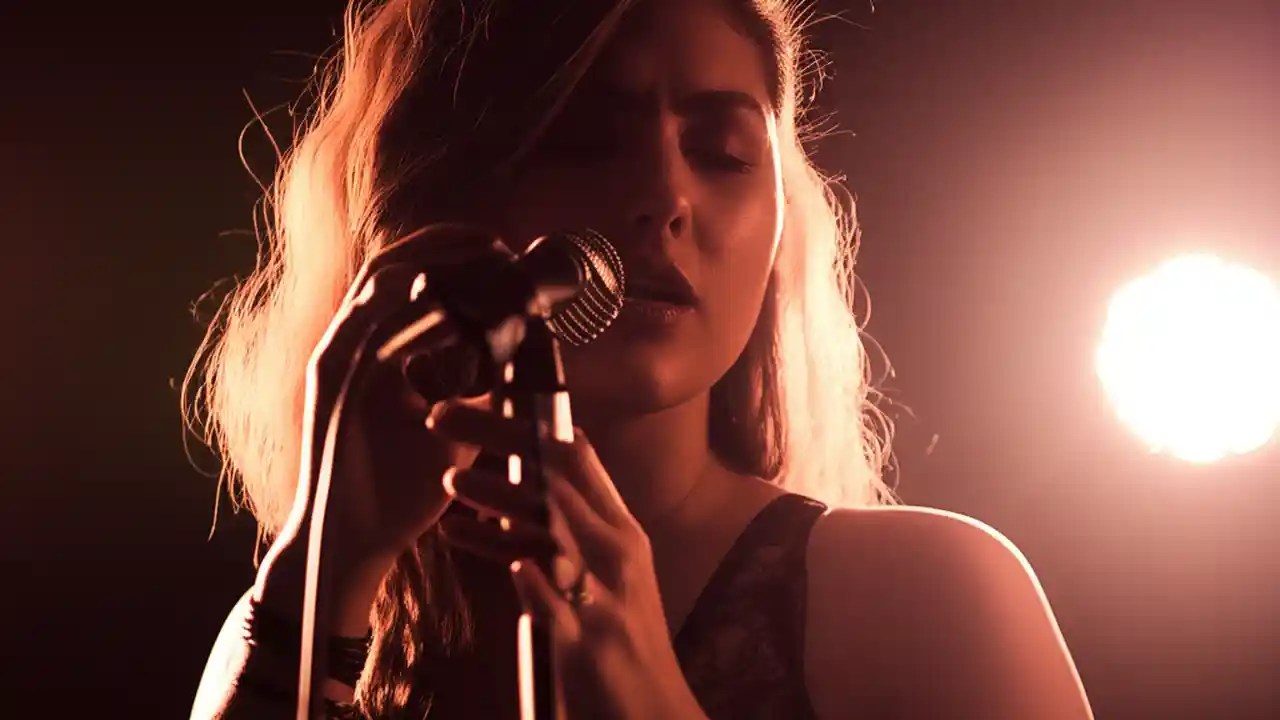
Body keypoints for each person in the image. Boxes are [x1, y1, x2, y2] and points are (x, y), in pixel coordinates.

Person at [187, 0, 1095, 718]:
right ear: (437, 192)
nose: (664, 195)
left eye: (723, 154)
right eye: (583, 140)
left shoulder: (928, 600)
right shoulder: (290, 631)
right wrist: (324, 567)